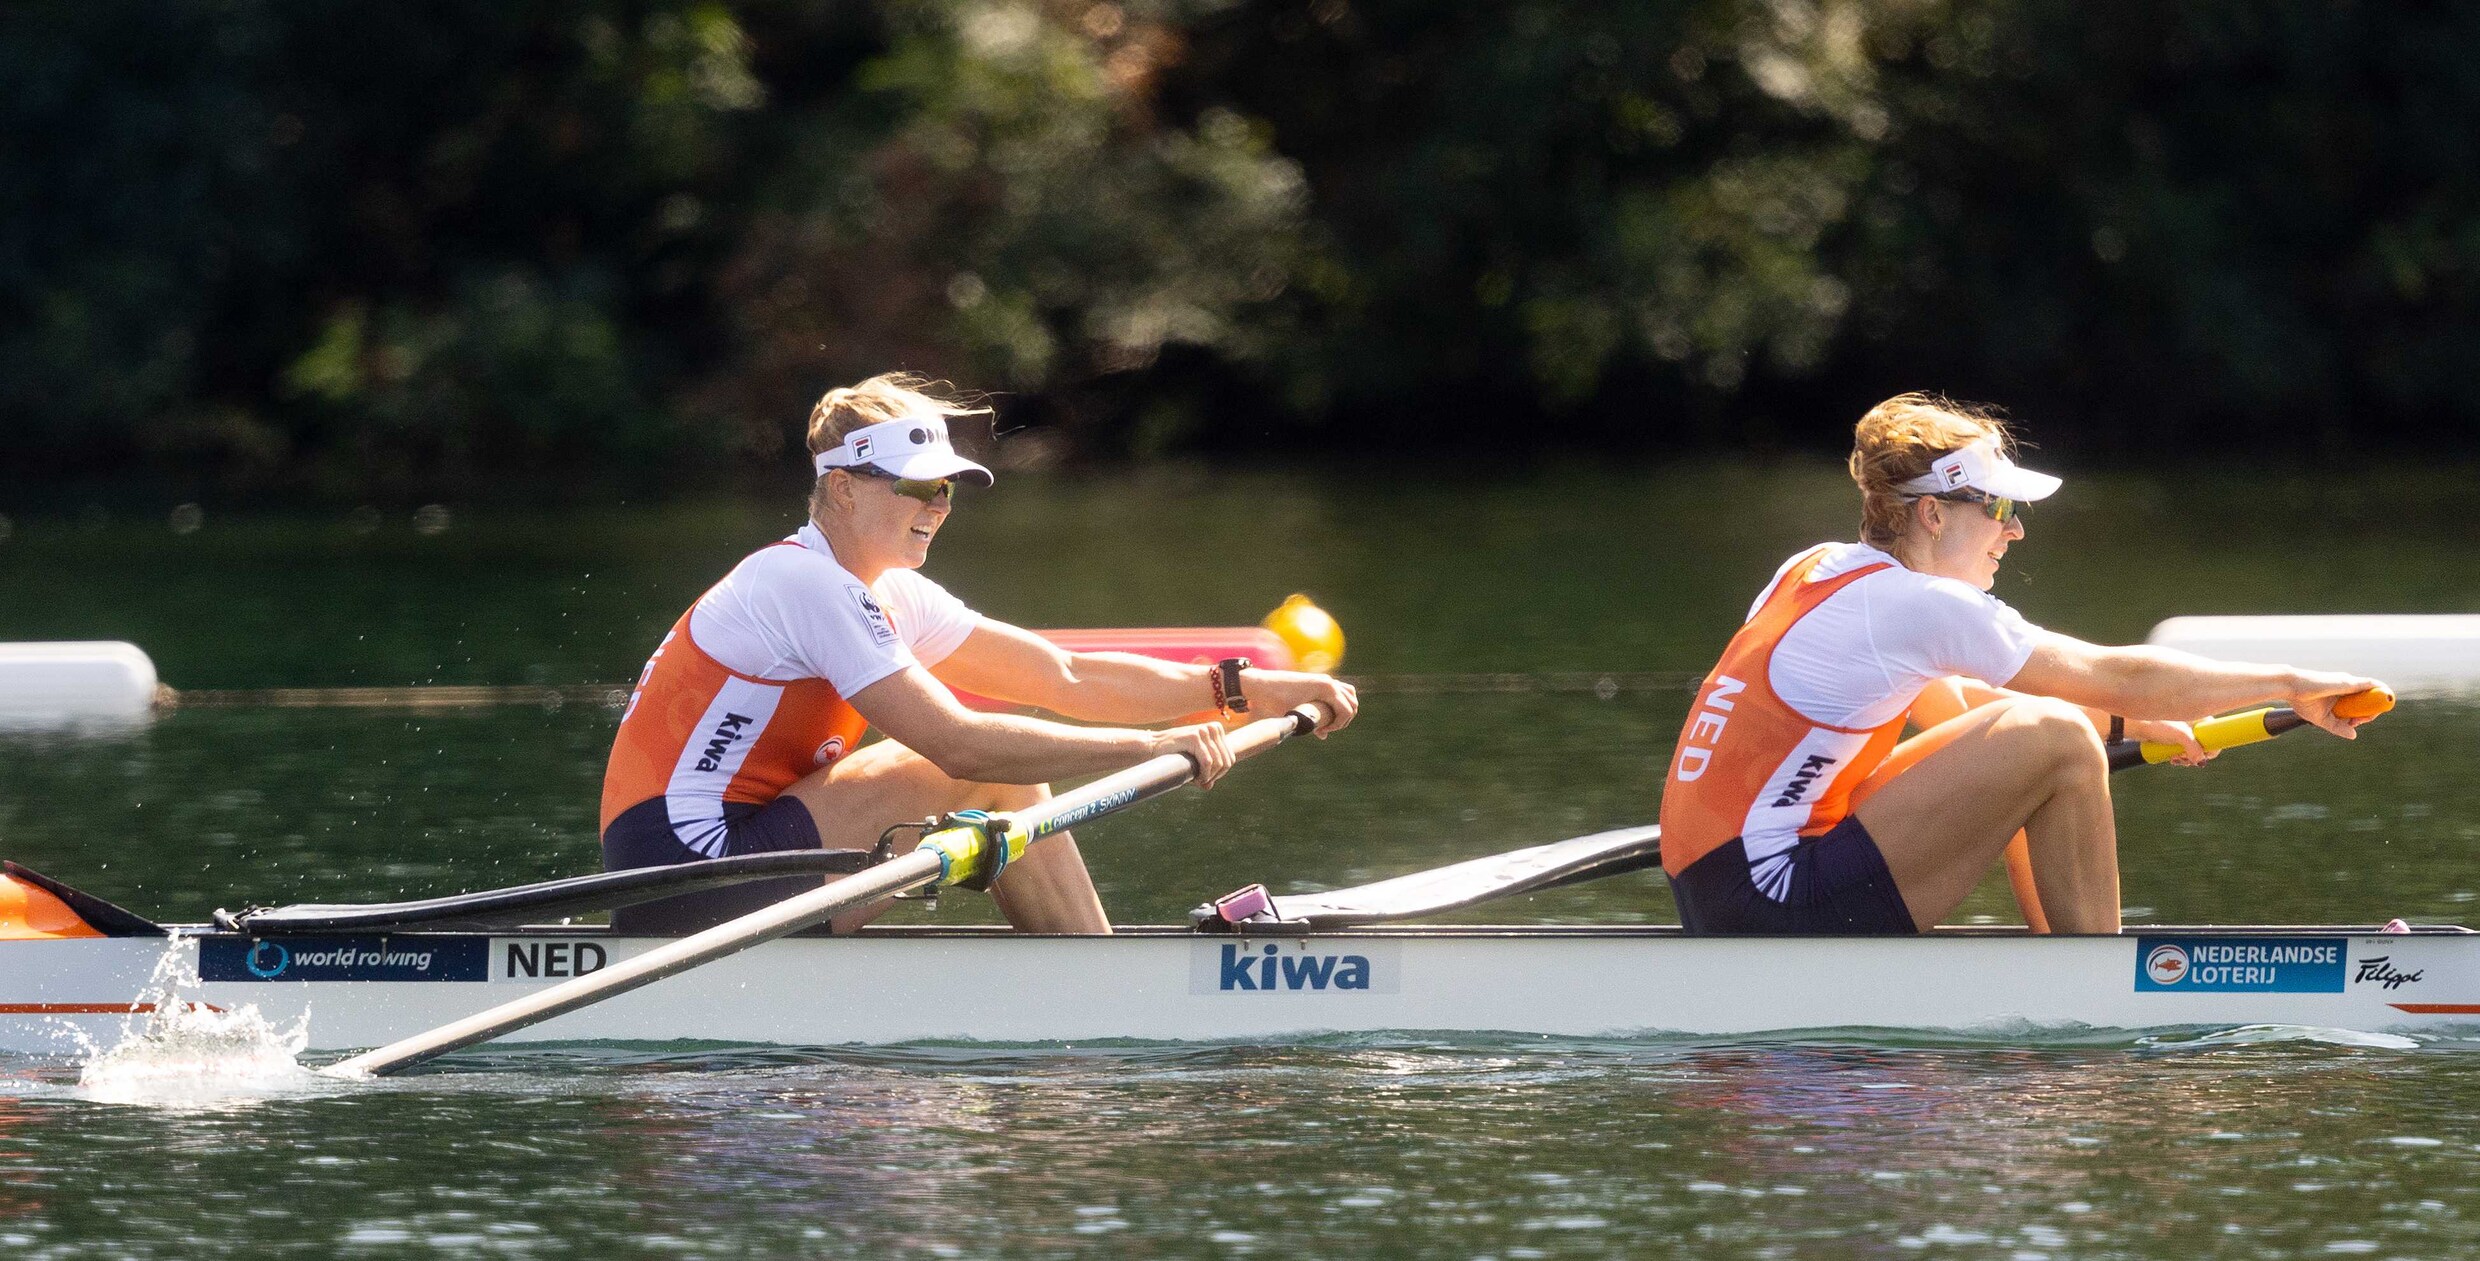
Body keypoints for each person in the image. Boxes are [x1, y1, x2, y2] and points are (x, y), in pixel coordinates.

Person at [600, 373, 1357, 934]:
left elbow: (1065, 675)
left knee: (1009, 777)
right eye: (920, 487)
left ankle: (1091, 972)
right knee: (985, 767)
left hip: (746, 860)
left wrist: (1242, 688)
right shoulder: (803, 582)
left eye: (950, 492)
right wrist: (1154, 746)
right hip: (687, 871)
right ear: (843, 490)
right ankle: (1097, 985)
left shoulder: (887, 588)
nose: (938, 507)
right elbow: (956, 741)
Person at [1658, 393, 2385, 935]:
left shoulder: (1817, 568)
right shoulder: (1915, 606)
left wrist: (2134, 721)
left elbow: (1971, 721)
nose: (2015, 529)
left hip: (1721, 887)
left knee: (2048, 733)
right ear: (1934, 515)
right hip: (1769, 896)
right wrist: (2291, 683)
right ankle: (2094, 984)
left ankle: (2061, 963)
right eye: (1998, 507)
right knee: (2059, 738)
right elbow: (2113, 674)